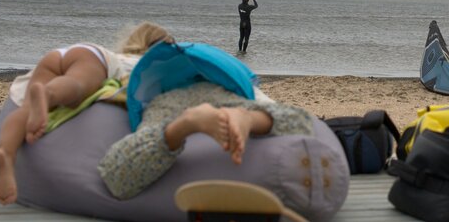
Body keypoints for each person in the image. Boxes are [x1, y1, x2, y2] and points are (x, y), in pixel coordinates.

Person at [0, 22, 173, 205]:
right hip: (95, 58)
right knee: (76, 87)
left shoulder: (119, 55)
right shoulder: (142, 64)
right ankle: (48, 94)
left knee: (26, 110)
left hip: (62, 55)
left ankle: (5, 152)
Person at [98, 81, 313, 200]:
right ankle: (248, 118)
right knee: (294, 121)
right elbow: (304, 124)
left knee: (118, 176)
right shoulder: (217, 74)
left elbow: (115, 180)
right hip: (219, 90)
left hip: (165, 98)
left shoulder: (132, 69)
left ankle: (185, 124)